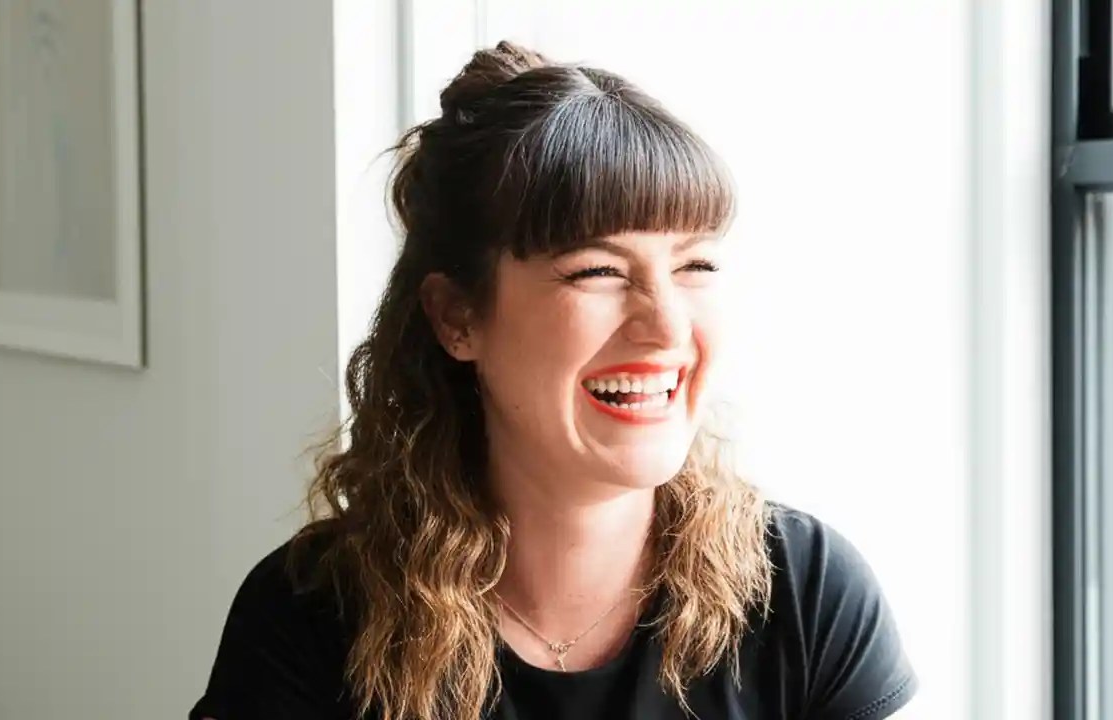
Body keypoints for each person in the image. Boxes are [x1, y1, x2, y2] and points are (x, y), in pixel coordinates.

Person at [190, 41, 917, 720]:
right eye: (597, 271)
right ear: (457, 317)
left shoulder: (805, 593)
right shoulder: (311, 616)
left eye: (694, 266)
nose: (667, 327)